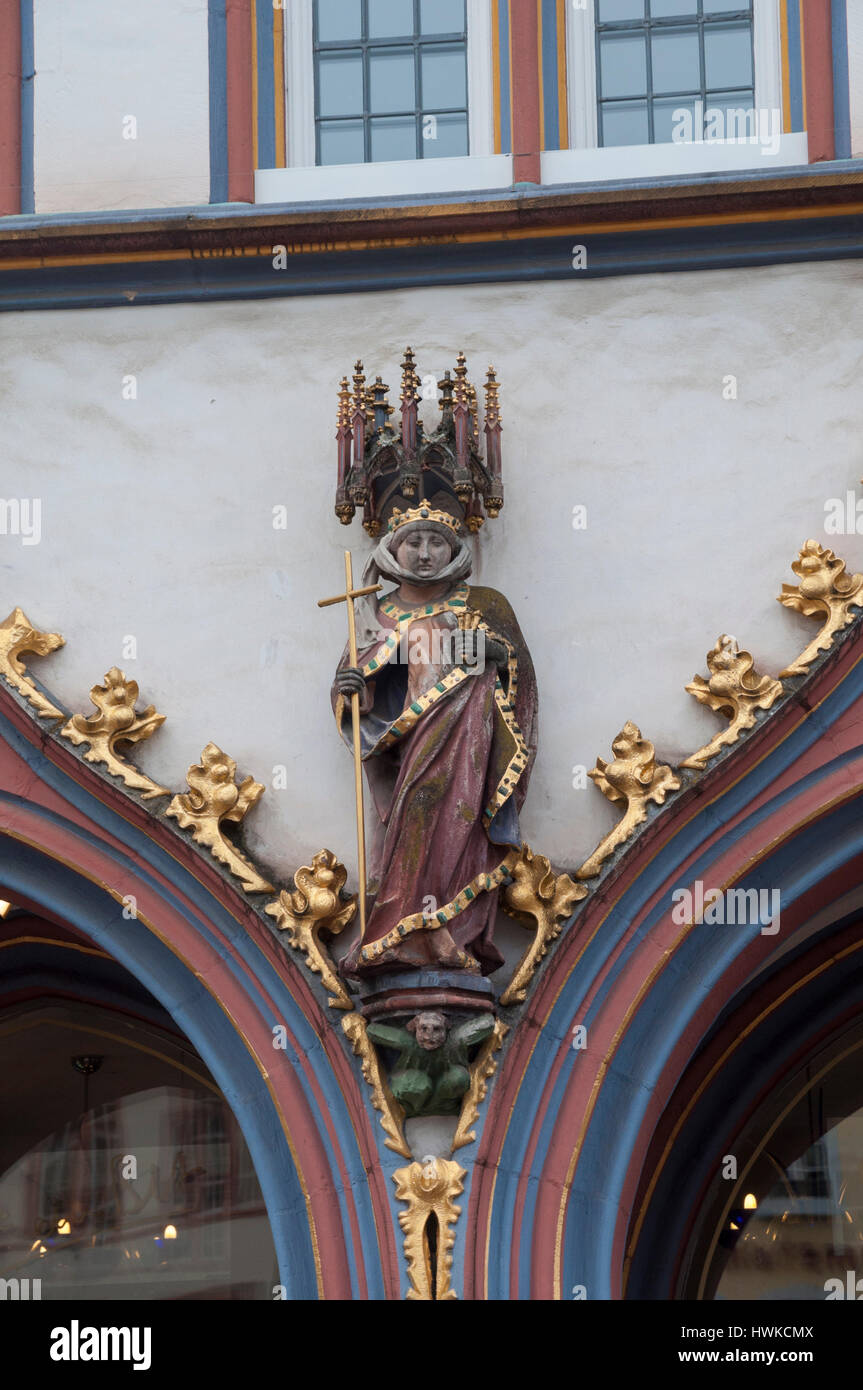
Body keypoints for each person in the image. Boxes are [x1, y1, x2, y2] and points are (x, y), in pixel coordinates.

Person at [332, 504, 537, 977]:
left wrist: (491, 652)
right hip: (408, 745)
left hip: (468, 739)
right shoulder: (374, 612)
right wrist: (352, 693)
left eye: (436, 542)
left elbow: (519, 673)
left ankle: (450, 929)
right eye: (414, 542)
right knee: (416, 811)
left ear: (454, 548)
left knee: (460, 821)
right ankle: (405, 926)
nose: (425, 554)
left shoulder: (484, 604)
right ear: (393, 548)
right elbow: (361, 695)